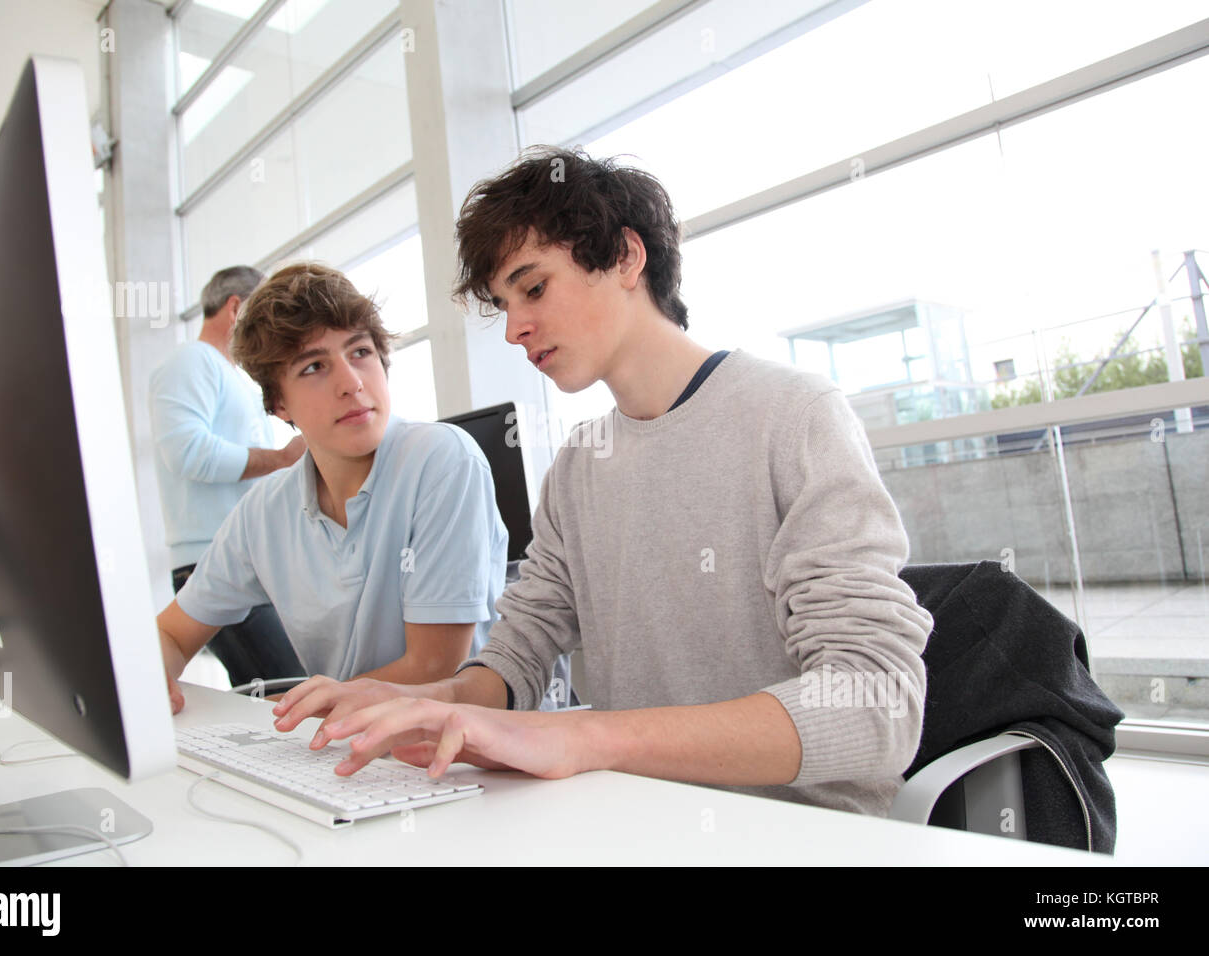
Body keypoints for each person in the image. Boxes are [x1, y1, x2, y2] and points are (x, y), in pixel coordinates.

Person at [270, 148, 935, 816]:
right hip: (637, 823)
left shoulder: (794, 416)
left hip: (800, 833)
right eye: (503, 304)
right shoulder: (579, 466)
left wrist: (586, 735)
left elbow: (876, 704)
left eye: (532, 289)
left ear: (624, 257)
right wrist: (420, 703)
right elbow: (516, 659)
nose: (514, 329)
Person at [160, 263, 508, 716]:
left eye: (360, 352)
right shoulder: (264, 510)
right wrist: (152, 674)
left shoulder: (441, 459)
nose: (351, 383)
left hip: (470, 753)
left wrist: (293, 712)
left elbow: (435, 667)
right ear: (279, 403)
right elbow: (171, 632)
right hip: (353, 753)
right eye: (314, 367)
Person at [149, 265, 305, 688]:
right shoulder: (192, 361)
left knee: (275, 689)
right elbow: (187, 451)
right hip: (210, 562)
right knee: (287, 686)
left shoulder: (232, 376)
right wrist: (279, 459)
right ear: (237, 309)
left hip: (243, 556)